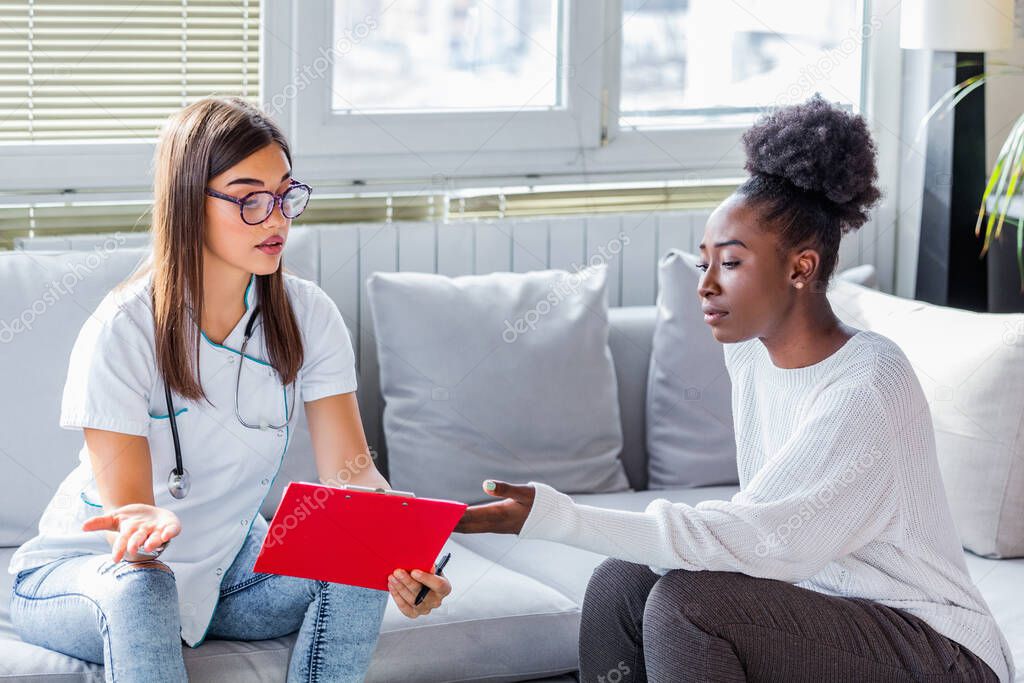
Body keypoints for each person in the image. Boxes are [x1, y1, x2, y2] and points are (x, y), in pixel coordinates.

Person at [455, 95, 1015, 682]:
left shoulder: (868, 385)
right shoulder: (750, 355)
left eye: (731, 263)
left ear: (800, 268)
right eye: (705, 264)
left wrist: (559, 517)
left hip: (940, 652)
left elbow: (763, 537)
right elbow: (759, 533)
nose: (706, 286)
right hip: (826, 609)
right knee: (623, 579)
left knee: (689, 608)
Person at [8, 97, 451, 683]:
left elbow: (353, 477)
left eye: (286, 195)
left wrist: (397, 553)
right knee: (144, 589)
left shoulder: (310, 315)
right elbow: (130, 515)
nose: (276, 220)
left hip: (222, 577)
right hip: (90, 575)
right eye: (249, 199)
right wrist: (144, 521)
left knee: (357, 555)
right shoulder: (124, 326)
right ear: (191, 202)